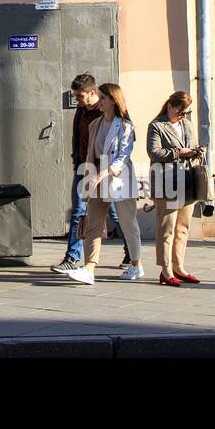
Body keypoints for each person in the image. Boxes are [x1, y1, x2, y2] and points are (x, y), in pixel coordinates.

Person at [62, 82, 144, 286]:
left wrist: (103, 174)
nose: (100, 101)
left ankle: (136, 264)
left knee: (128, 224)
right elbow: (91, 153)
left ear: (113, 101)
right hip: (97, 176)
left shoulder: (125, 126)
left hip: (119, 180)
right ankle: (89, 268)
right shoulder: (95, 124)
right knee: (93, 223)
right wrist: (90, 176)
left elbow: (123, 157)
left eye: (103, 98)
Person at [148, 90, 203, 287]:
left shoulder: (186, 125)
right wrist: (179, 152)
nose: (183, 116)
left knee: (182, 228)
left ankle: (179, 267)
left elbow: (192, 145)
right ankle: (166, 270)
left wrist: (197, 151)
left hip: (187, 180)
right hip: (167, 182)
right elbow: (154, 152)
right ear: (170, 106)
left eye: (187, 113)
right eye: (181, 112)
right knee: (167, 229)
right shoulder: (157, 126)